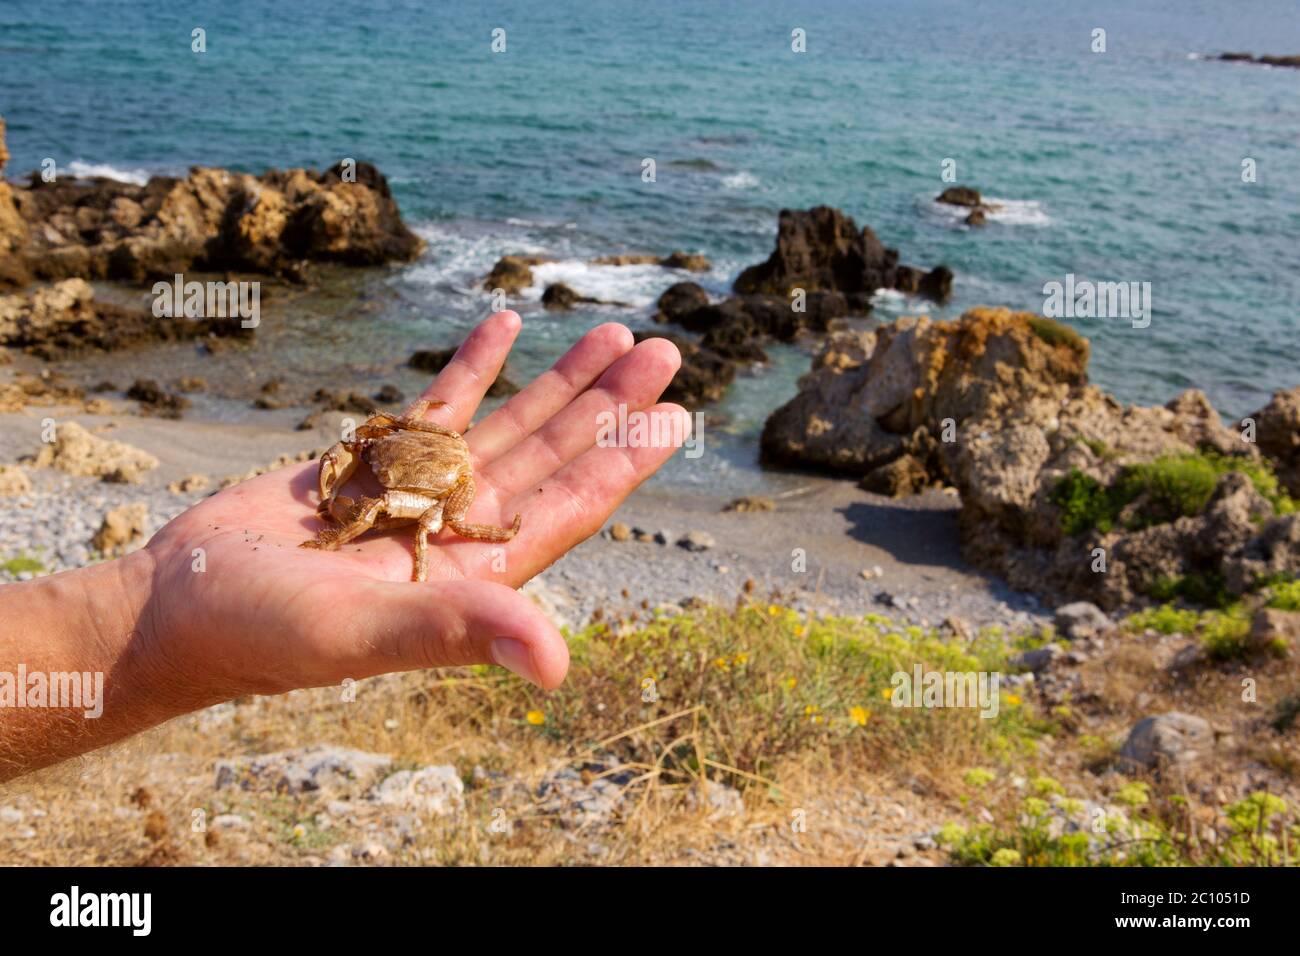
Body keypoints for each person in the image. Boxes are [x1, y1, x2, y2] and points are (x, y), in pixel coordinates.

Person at [0, 312, 687, 781]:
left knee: (402, 513)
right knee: (378, 469)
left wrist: (369, 531)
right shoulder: (388, 441)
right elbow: (367, 440)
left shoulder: (433, 469)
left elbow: (416, 508)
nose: (364, 458)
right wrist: (146, 614)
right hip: (425, 449)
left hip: (434, 483)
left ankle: (361, 530)